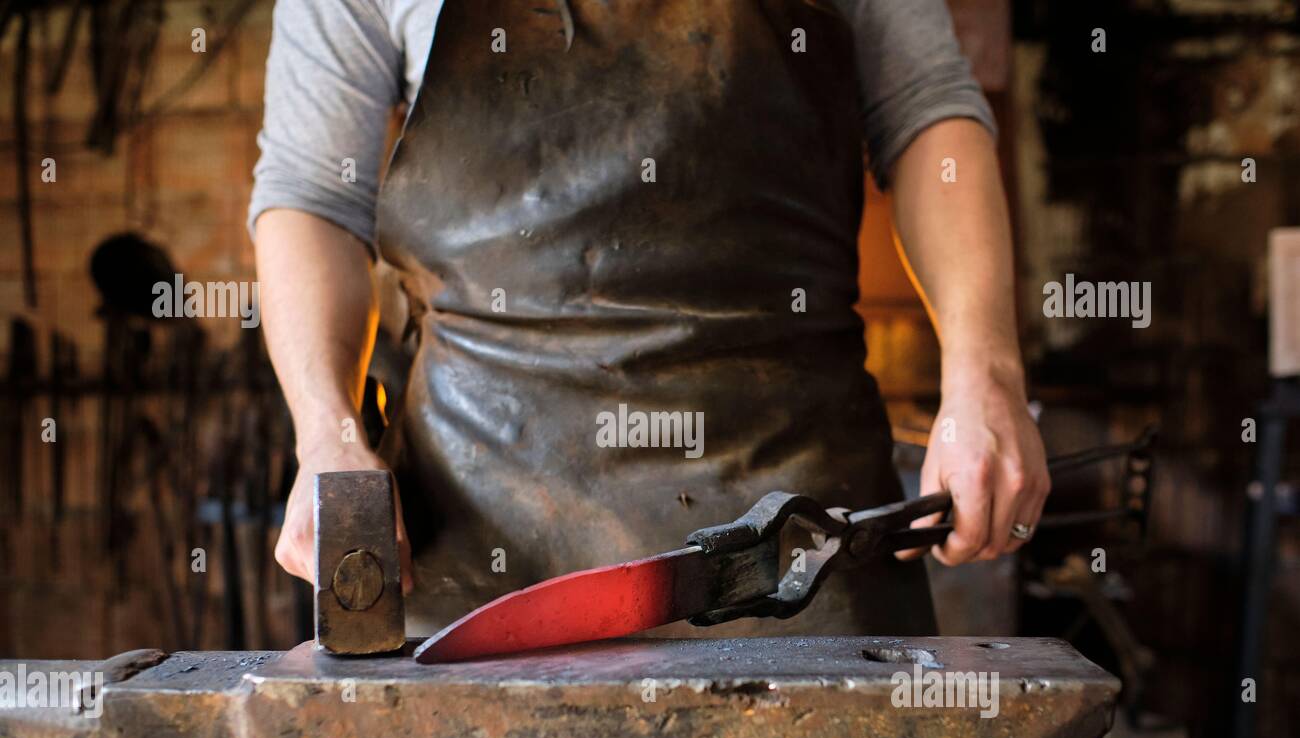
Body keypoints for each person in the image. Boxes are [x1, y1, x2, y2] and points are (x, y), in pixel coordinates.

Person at [250, 0, 1049, 644]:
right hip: (484, 566)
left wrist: (986, 378)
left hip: (798, 551)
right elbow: (314, 197)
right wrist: (327, 437)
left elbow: (927, 120)